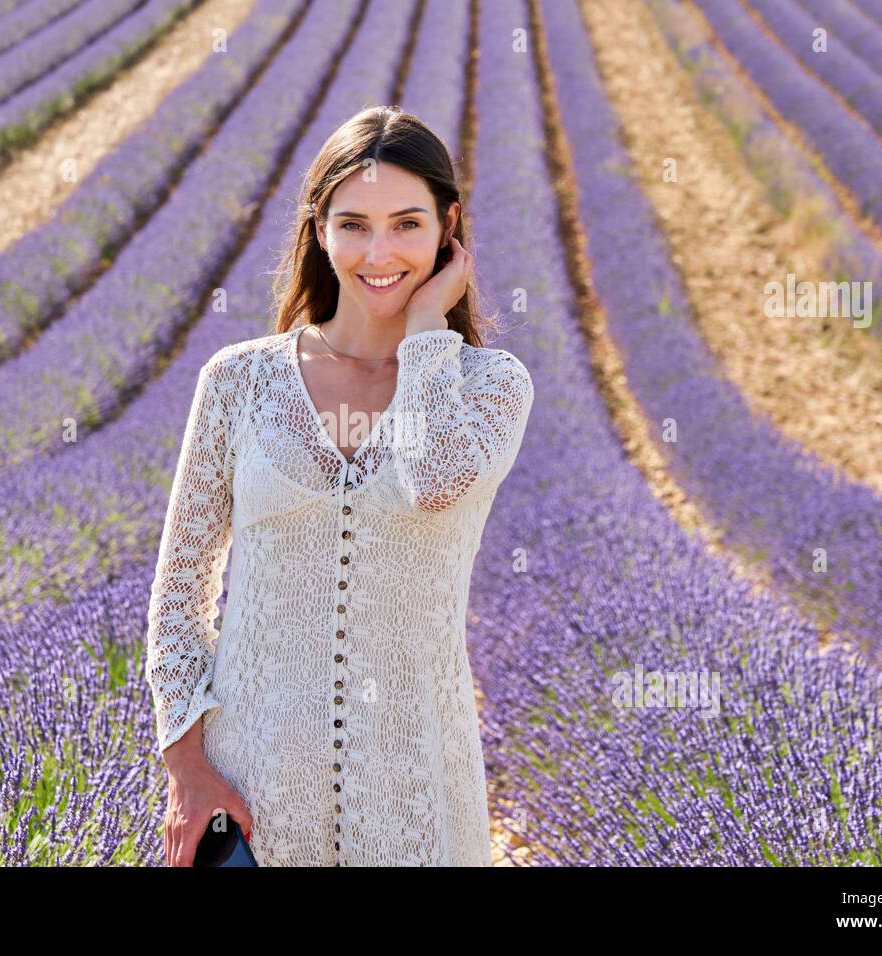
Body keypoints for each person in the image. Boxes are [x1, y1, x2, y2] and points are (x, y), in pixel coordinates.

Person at [147, 105, 534, 866]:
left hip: (418, 803)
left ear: (449, 227)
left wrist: (427, 330)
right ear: (319, 228)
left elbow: (432, 480)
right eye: (353, 224)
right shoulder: (239, 381)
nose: (378, 251)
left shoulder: (490, 387)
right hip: (251, 801)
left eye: (407, 224)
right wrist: (186, 768)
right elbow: (179, 591)